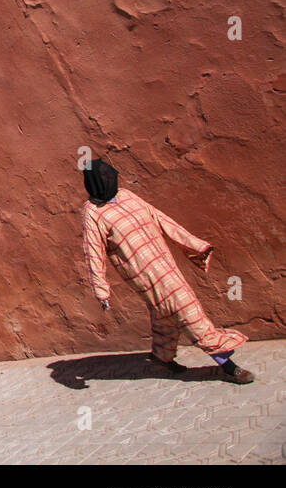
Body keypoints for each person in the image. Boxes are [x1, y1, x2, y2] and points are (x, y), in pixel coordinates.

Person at [80, 158, 253, 383]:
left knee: (164, 314)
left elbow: (160, 218)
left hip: (165, 264)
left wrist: (193, 245)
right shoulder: (92, 212)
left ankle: (162, 357)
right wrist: (102, 292)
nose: (109, 181)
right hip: (144, 275)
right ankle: (229, 367)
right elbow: (93, 251)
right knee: (186, 310)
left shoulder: (127, 195)